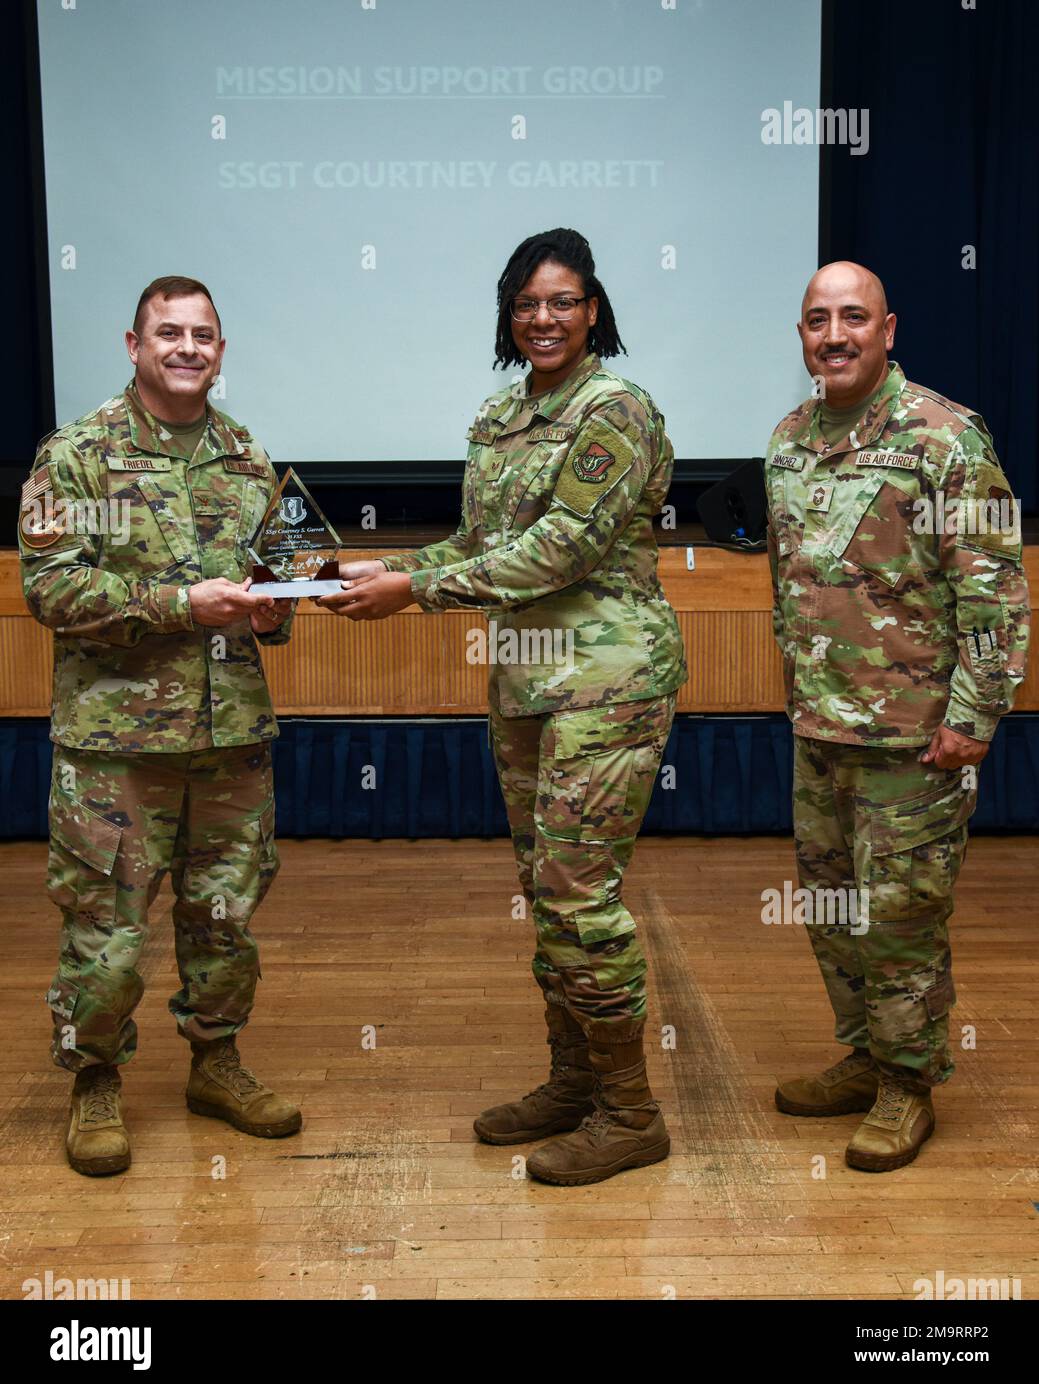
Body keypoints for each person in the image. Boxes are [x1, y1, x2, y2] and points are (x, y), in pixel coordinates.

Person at [319, 229, 687, 1185]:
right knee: (546, 891)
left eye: (562, 301)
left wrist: (415, 592)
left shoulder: (615, 409)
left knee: (578, 893)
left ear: (593, 310)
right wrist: (396, 568)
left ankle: (630, 1113)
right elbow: (479, 541)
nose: (543, 318)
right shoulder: (499, 417)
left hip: (606, 681)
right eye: (526, 303)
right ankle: (573, 1084)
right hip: (526, 681)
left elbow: (559, 549)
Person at [19, 275, 302, 1176]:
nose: (187, 348)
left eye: (204, 335)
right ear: (133, 344)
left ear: (222, 350)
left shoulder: (249, 458)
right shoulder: (77, 457)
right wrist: (182, 603)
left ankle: (216, 1063)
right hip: (116, 748)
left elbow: (278, 578)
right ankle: (94, 1078)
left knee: (225, 917)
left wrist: (273, 610)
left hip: (230, 740)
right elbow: (52, 589)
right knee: (107, 929)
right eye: (168, 333)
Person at [766, 261, 1030, 1170]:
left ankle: (907, 1083)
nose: (831, 335)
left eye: (851, 318)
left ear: (887, 330)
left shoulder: (946, 438)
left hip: (916, 737)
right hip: (819, 730)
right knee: (833, 910)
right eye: (815, 320)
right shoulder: (788, 439)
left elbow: (993, 590)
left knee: (902, 917)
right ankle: (864, 1052)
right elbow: (788, 584)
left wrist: (975, 717)